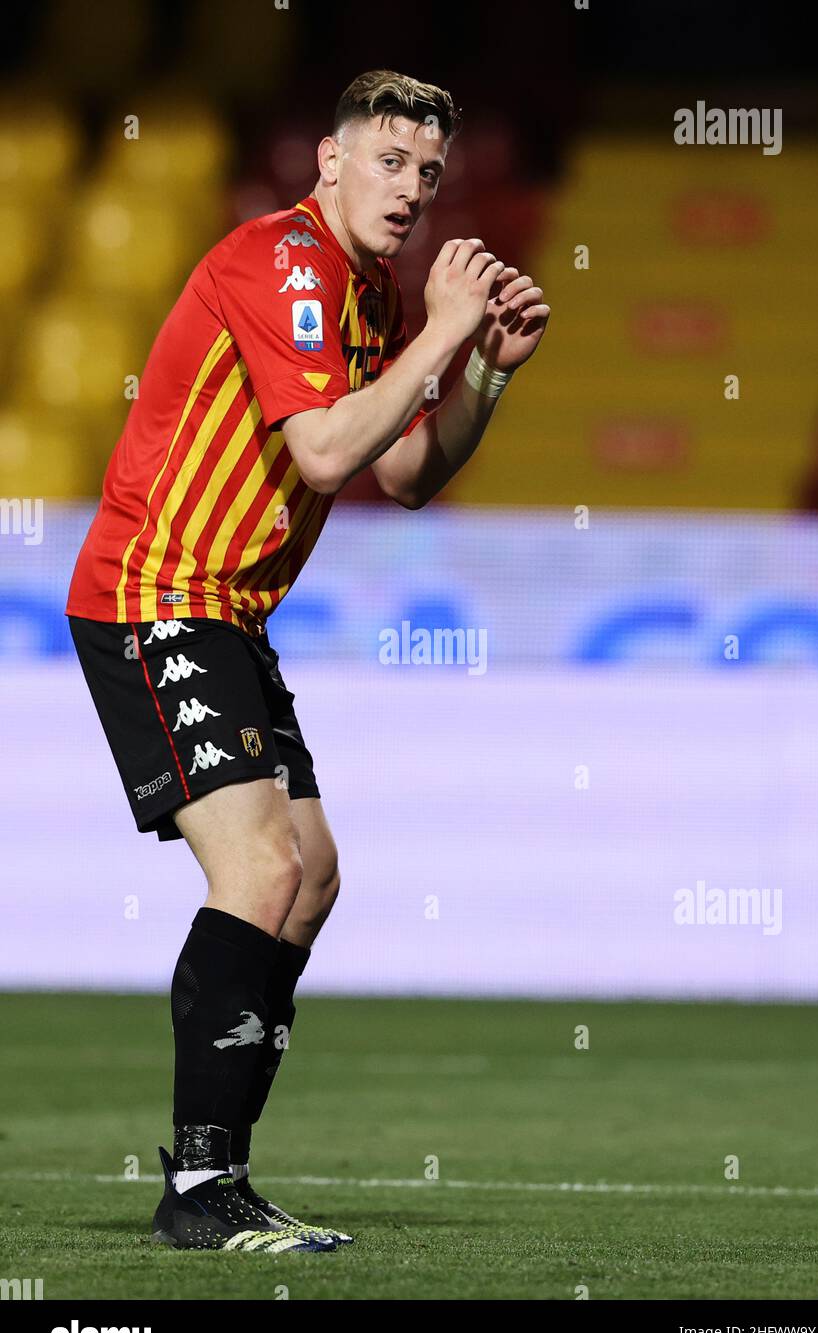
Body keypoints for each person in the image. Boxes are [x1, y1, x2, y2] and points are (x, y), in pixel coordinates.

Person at [65, 69, 550, 1253]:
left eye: (428, 171)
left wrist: (480, 367)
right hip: (154, 593)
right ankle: (199, 1191)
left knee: (313, 875)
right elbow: (329, 453)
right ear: (329, 163)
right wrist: (441, 329)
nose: (410, 188)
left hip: (228, 611)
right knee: (267, 870)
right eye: (388, 162)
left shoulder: (370, 295)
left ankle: (215, 1172)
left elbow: (409, 477)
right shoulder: (283, 264)